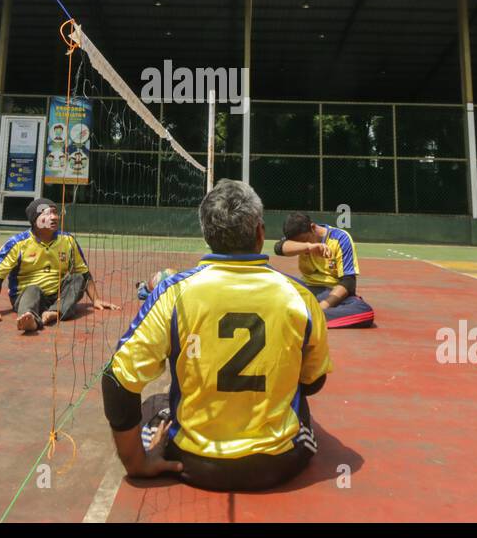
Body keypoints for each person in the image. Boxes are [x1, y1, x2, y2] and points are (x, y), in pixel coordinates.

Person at [102, 179, 332, 491]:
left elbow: (117, 380)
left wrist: (136, 463)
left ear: (207, 235)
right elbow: (313, 383)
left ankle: (173, 434)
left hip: (195, 462)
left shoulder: (175, 293)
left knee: (155, 404)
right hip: (277, 463)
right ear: (261, 232)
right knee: (298, 397)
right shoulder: (300, 296)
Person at [0, 197, 117, 332]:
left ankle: (55, 311)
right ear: (34, 219)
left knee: (77, 278)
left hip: (58, 295)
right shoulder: (17, 244)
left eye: (55, 213)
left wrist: (96, 300)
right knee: (33, 290)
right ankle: (29, 319)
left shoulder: (67, 240)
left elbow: (83, 271)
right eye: (47, 214)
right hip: (26, 294)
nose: (54, 217)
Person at [273, 213, 375, 328]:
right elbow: (279, 248)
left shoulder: (340, 238)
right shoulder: (303, 243)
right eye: (298, 243)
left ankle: (306, 316)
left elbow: (348, 282)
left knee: (364, 311)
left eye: (304, 240)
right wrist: (308, 246)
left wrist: (324, 305)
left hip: (332, 293)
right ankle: (308, 316)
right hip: (307, 289)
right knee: (273, 278)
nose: (300, 245)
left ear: (312, 227)